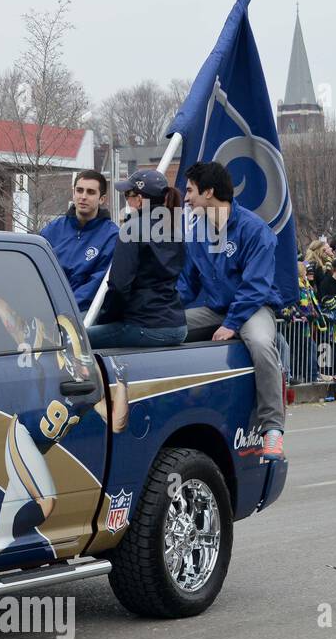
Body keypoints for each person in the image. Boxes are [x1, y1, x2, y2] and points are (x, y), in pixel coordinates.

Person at [179, 160, 285, 460]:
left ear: (209, 192)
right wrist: (162, 311)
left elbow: (255, 286)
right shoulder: (197, 231)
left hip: (253, 308)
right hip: (216, 309)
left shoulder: (254, 230)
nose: (186, 198)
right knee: (167, 329)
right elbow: (187, 284)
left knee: (262, 344)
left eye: (190, 191)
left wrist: (232, 324)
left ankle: (273, 429)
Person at [87, 169, 187, 349]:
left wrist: (106, 319)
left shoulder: (131, 229)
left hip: (145, 326)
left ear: (139, 199)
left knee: (75, 341)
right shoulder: (176, 229)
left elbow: (119, 286)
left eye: (128, 195)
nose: (127, 200)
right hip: (178, 326)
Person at [40, 169, 117, 313]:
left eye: (90, 192)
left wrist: (65, 308)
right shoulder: (52, 230)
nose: (83, 196)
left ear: (102, 199)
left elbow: (97, 283)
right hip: (48, 307)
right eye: (79, 190)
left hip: (82, 313)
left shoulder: (111, 236)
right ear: (73, 193)